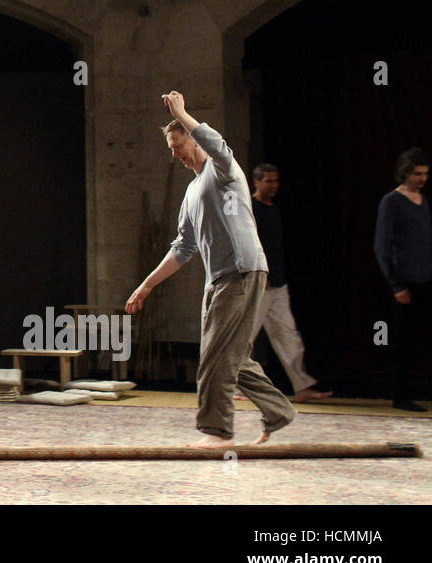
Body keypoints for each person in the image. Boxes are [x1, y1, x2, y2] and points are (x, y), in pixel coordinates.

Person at [126, 92, 295, 447]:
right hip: (217, 279)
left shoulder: (223, 171)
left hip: (242, 271)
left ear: (192, 139)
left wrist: (183, 114)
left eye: (177, 144)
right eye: (170, 147)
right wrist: (146, 286)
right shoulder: (191, 192)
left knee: (216, 355)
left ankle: (217, 432)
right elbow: (183, 248)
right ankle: (278, 411)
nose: (174, 153)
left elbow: (217, 144)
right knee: (231, 355)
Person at [248, 165, 331, 402]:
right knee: (243, 338)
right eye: (268, 181)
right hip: (259, 283)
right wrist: (258, 274)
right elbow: (247, 244)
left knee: (288, 336)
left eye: (276, 181)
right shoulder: (250, 209)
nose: (273, 185)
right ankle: (230, 386)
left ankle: (302, 387)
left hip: (278, 285)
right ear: (256, 182)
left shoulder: (273, 210)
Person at [373, 148, 431, 412]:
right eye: (417, 174)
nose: (422, 179)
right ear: (406, 173)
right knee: (400, 342)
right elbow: (382, 246)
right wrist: (397, 285)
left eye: (425, 174)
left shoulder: (423, 200)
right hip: (404, 283)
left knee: (419, 339)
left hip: (425, 279)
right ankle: (400, 394)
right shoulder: (392, 201)